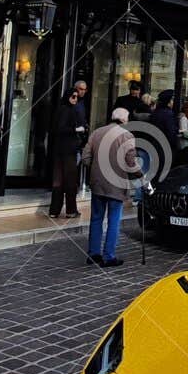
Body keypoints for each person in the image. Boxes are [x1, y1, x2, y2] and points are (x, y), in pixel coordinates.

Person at [82, 106, 140, 266]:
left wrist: (96, 170)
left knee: (96, 219)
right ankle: (109, 256)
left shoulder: (96, 133)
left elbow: (86, 157)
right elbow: (131, 162)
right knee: (114, 220)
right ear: (123, 120)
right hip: (117, 183)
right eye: (127, 119)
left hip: (98, 183)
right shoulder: (127, 135)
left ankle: (94, 254)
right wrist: (140, 175)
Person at [47, 79, 88, 219]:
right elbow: (60, 128)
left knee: (58, 181)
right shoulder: (67, 110)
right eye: (73, 96)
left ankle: (54, 210)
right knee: (70, 181)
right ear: (68, 96)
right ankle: (70, 210)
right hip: (68, 150)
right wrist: (76, 129)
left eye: (77, 96)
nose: (75, 99)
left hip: (61, 149)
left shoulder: (61, 108)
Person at [147, 89, 179, 169]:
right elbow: (171, 133)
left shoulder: (155, 112)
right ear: (168, 101)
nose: (173, 102)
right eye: (172, 100)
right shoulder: (168, 114)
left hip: (154, 146)